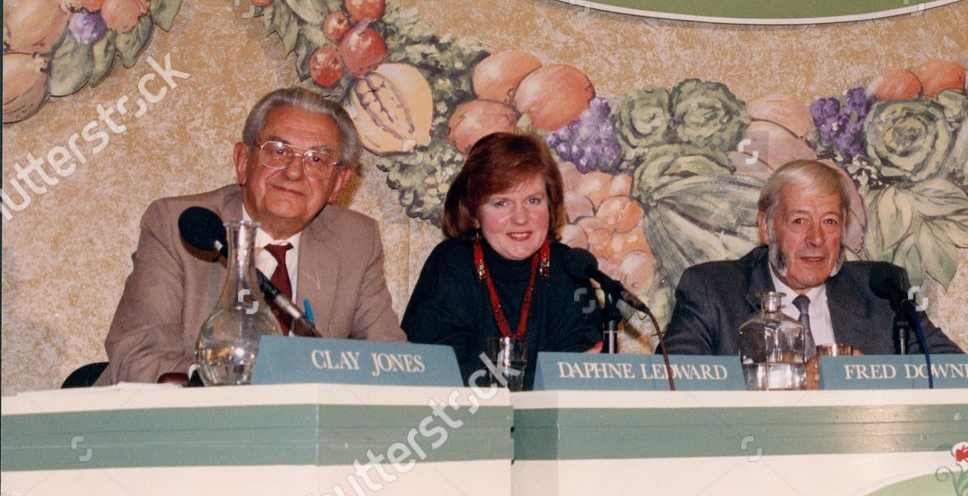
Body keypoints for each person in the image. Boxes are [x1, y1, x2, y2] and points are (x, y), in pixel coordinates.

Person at [98, 87, 405, 385]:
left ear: (338, 184)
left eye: (316, 160)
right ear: (243, 162)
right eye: (278, 150)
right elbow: (139, 358)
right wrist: (251, 386)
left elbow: (392, 364)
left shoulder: (355, 240)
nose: (294, 172)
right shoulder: (178, 225)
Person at [664, 159, 962, 356]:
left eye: (830, 222)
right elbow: (674, 384)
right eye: (799, 221)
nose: (816, 239)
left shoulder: (882, 291)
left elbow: (955, 374)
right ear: (766, 228)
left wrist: (870, 380)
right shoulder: (712, 290)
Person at [402, 133, 601, 387]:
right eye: (501, 203)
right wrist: (540, 381)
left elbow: (580, 373)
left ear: (550, 207)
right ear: (474, 213)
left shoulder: (569, 268)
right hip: (464, 422)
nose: (520, 218)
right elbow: (439, 370)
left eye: (533, 200)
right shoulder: (452, 263)